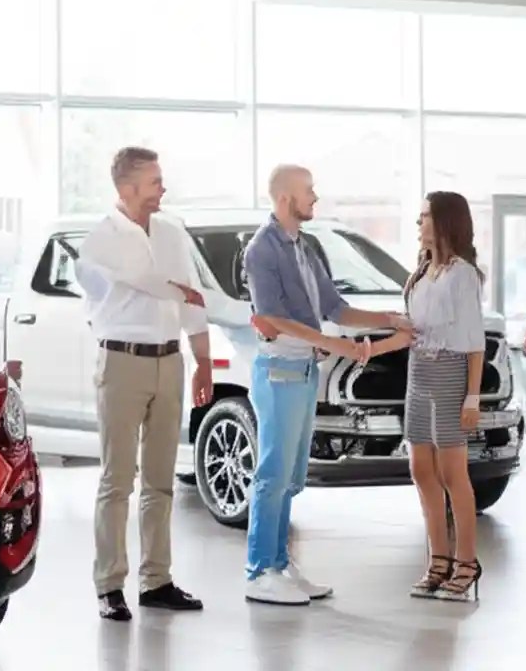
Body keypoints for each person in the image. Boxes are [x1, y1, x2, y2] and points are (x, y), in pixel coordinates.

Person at [241, 164, 405, 606]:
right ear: (283, 199)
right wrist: (338, 347)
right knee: (273, 473)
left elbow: (334, 307)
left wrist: (390, 320)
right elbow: (275, 319)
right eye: (308, 191)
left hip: (304, 373)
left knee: (292, 475)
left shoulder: (303, 247)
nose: (315, 197)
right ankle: (259, 571)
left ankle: (278, 563)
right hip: (279, 372)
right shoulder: (262, 250)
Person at [74, 146, 214, 622]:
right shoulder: (101, 240)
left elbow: (192, 300)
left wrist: (203, 361)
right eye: (155, 181)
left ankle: (157, 580)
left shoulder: (172, 232)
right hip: (123, 362)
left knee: (161, 479)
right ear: (127, 188)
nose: (163, 188)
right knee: (118, 480)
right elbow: (117, 293)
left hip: (170, 361)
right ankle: (110, 584)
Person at [368, 190, 486, 603]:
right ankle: (438, 560)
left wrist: (472, 398)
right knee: (421, 470)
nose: (418, 224)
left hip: (450, 373)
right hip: (417, 374)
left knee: (454, 474)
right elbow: (415, 329)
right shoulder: (420, 273)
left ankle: (466, 563)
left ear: (444, 221)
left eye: (424, 217)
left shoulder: (463, 274)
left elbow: (474, 342)